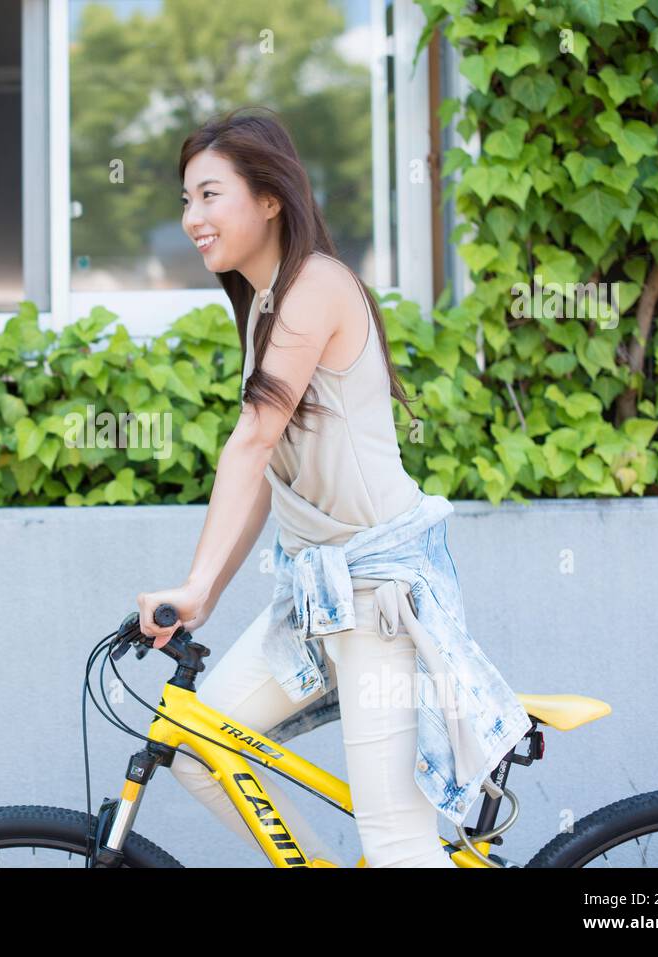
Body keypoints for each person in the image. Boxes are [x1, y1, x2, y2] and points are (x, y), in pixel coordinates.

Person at [135, 107, 458, 867]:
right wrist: (202, 593)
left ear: (270, 197)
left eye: (210, 195)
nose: (192, 218)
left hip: (380, 597)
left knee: (397, 840)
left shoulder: (317, 285)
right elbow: (264, 472)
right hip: (317, 597)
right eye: (186, 200)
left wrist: (194, 582)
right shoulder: (265, 308)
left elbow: (250, 442)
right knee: (199, 746)